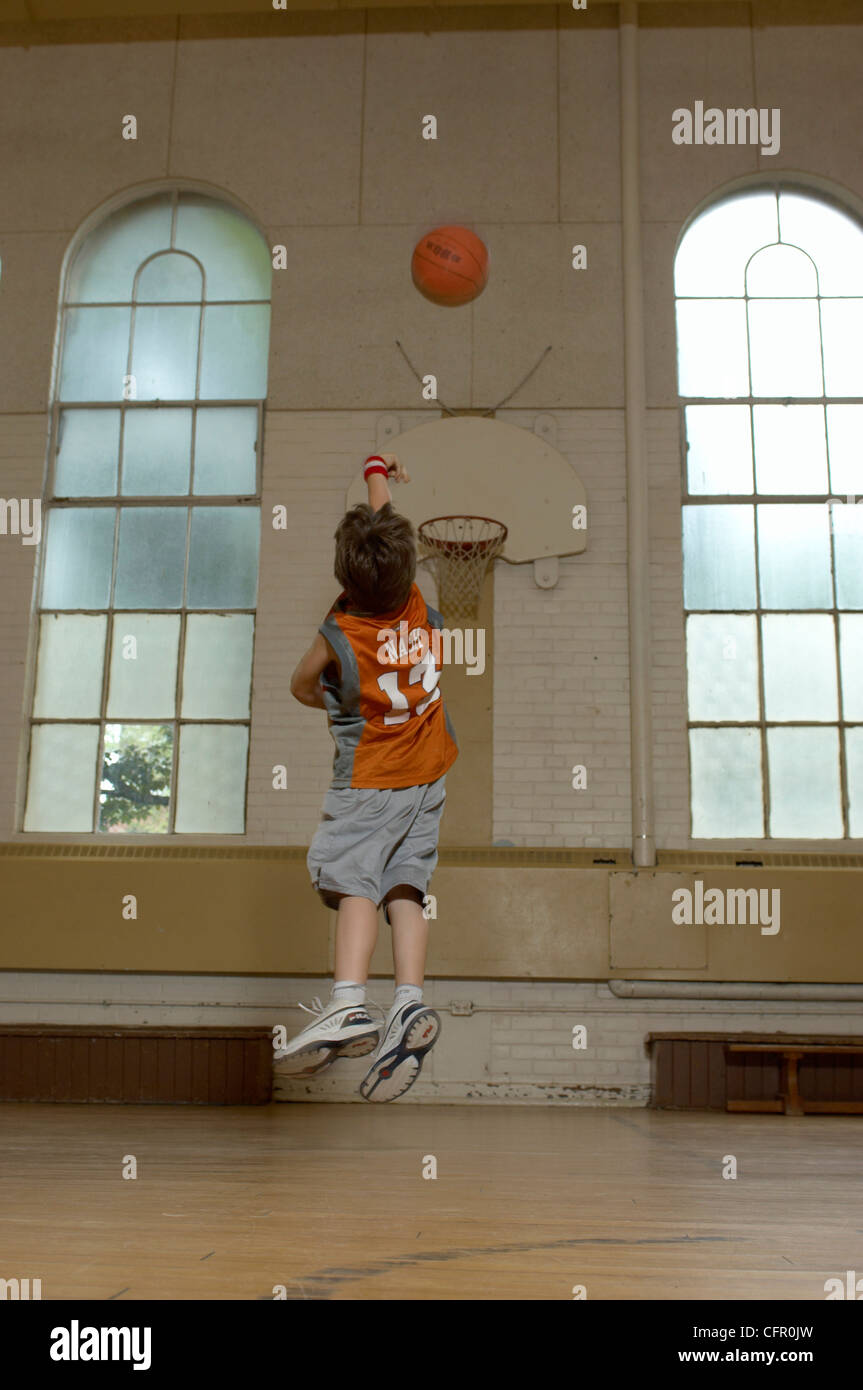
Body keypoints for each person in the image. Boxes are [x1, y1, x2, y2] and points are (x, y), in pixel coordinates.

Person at [283, 453, 458, 1102]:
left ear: (344, 576)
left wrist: (329, 702)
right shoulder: (415, 600)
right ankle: (409, 1001)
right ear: (404, 568)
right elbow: (383, 513)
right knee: (405, 883)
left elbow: (298, 685)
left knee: (352, 875)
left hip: (371, 778)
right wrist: (377, 468)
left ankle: (350, 1002)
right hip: (430, 773)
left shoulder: (340, 634)